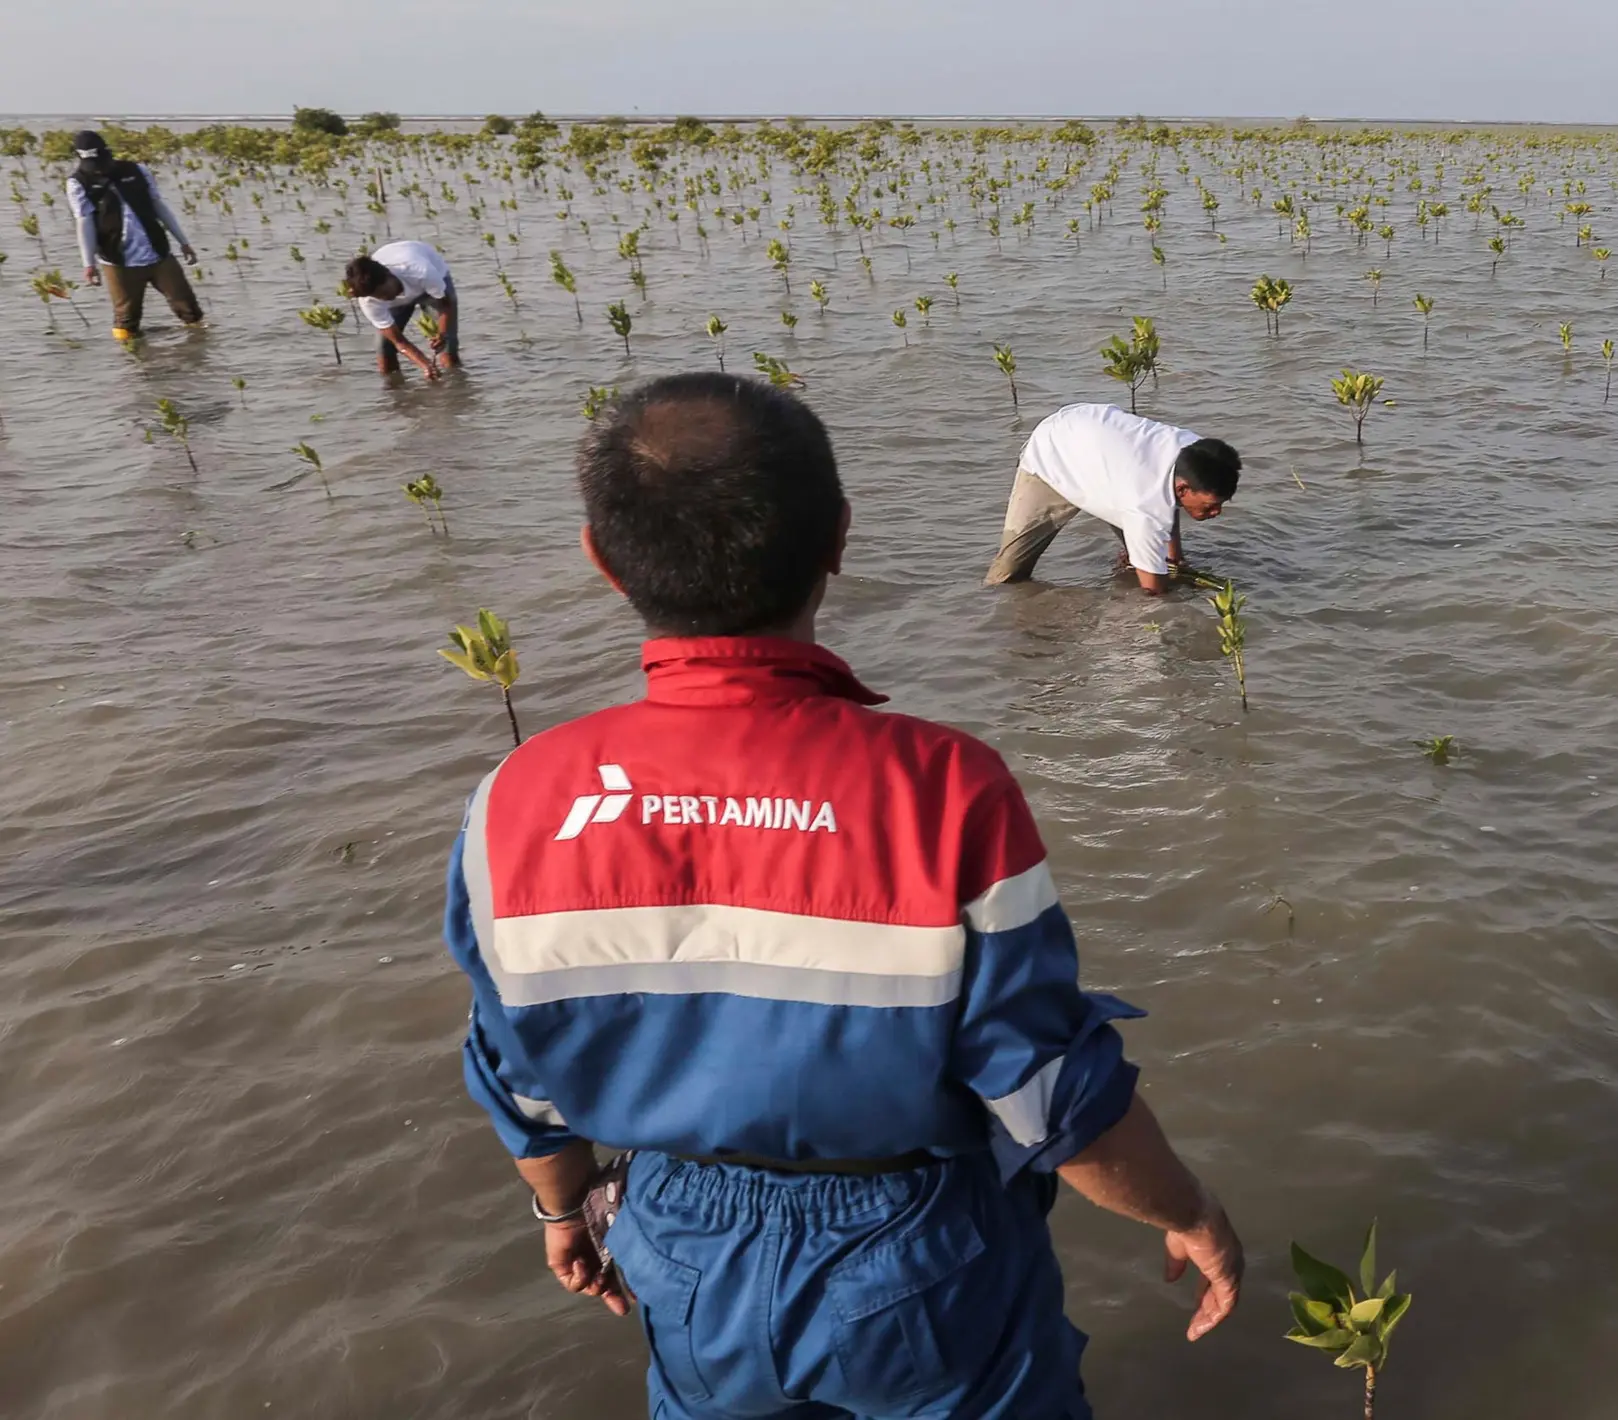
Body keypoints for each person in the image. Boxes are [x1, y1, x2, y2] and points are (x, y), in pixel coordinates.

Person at [441, 373, 1243, 1420]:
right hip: (915, 1249)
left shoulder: (514, 801)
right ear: (839, 540)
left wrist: (562, 1211)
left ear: (601, 559)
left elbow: (517, 1067)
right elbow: (1044, 1083)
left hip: (675, 1242)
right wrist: (1185, 1208)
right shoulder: (940, 786)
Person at [986, 402, 1240, 595]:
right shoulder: (1144, 508)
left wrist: (1174, 560)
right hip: (1054, 454)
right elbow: (1152, 591)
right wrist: (1176, 597)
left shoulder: (1198, 452)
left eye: (1221, 504)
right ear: (1184, 488)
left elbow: (1168, 498)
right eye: (1211, 506)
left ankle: (1138, 560)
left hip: (1105, 458)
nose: (1217, 512)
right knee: (1009, 573)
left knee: (1149, 557)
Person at [65, 129, 202, 341]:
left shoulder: (136, 170)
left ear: (108, 153)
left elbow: (158, 206)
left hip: (158, 253)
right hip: (117, 260)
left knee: (188, 307)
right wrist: (88, 264)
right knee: (126, 320)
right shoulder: (77, 183)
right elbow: (84, 222)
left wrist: (183, 242)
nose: (99, 170)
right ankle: (132, 363)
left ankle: (199, 348)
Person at [343, 240, 458, 379]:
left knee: (447, 347)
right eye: (378, 297)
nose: (385, 299)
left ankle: (455, 385)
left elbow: (446, 305)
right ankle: (393, 391)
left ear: (389, 274)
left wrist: (442, 334)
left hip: (431, 284)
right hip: (407, 280)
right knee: (384, 347)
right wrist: (426, 365)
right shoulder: (369, 300)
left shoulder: (421, 271)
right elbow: (399, 341)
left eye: (384, 292)